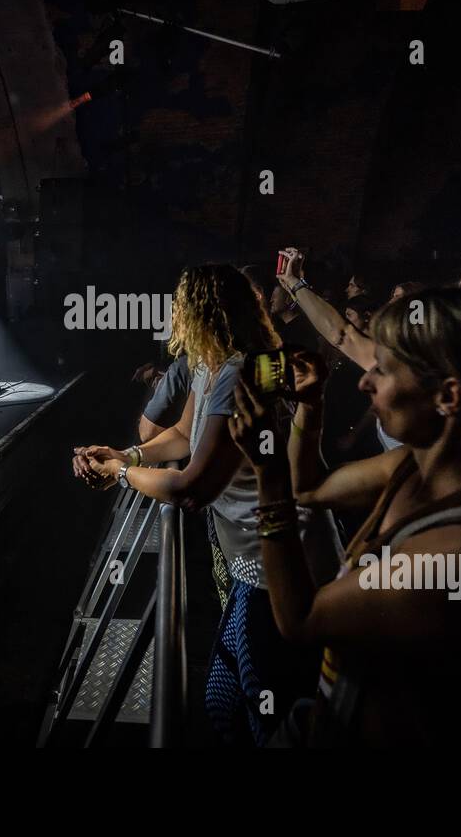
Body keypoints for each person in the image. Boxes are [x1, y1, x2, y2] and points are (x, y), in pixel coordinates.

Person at [227, 283, 461, 747]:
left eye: (383, 370)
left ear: (449, 396)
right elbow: (310, 488)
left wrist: (267, 478)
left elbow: (301, 619)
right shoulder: (410, 466)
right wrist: (311, 406)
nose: (365, 382)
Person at [71, 264, 340, 745]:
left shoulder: (240, 373)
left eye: (179, 304)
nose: (173, 313)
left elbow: (192, 488)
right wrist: (126, 454)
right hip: (248, 566)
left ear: (200, 312)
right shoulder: (208, 364)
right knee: (223, 699)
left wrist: (120, 475)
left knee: (266, 713)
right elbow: (179, 436)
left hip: (278, 563)